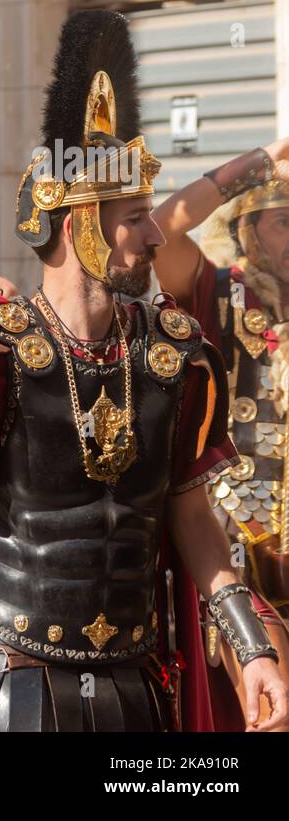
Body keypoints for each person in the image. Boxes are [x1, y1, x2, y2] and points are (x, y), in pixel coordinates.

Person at [0, 9, 288, 732]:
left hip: (139, 677)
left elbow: (192, 517)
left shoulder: (172, 355)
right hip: (19, 679)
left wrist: (252, 648)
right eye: (135, 218)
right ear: (77, 223)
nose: (155, 234)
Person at [152, 133, 289, 719]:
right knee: (275, 706)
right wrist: (260, 162)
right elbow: (160, 229)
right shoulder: (221, 294)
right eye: (283, 222)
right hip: (241, 550)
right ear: (247, 230)